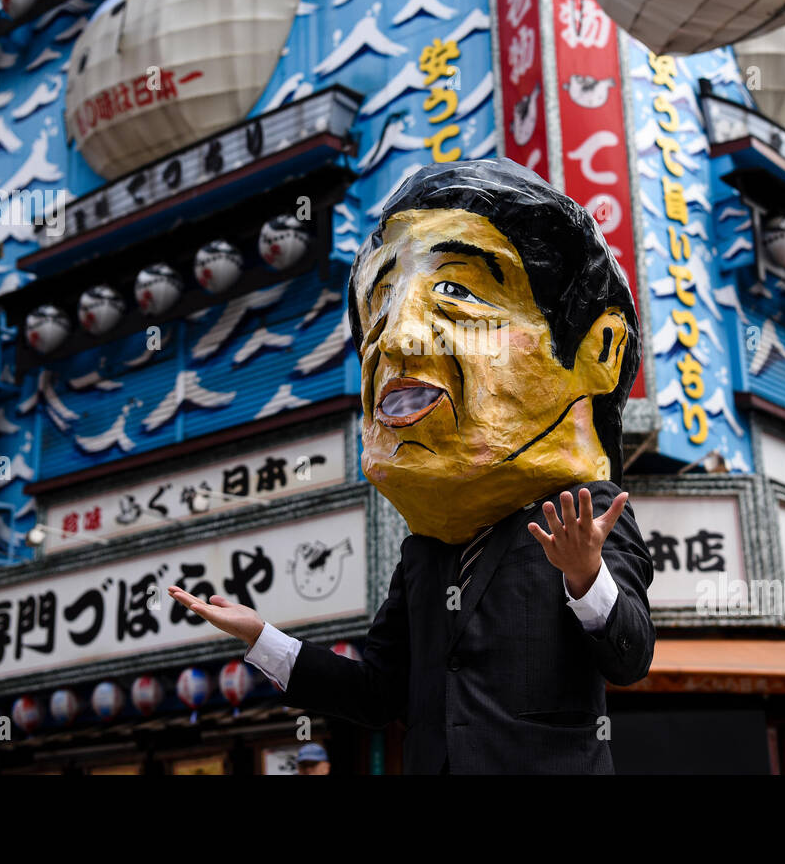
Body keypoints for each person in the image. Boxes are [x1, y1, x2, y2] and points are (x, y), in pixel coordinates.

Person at [170, 158, 655, 773]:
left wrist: (587, 578)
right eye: (380, 303)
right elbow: (378, 694)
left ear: (600, 350)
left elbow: (631, 658)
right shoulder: (424, 557)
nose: (396, 338)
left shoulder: (582, 519)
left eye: (457, 291)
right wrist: (260, 636)